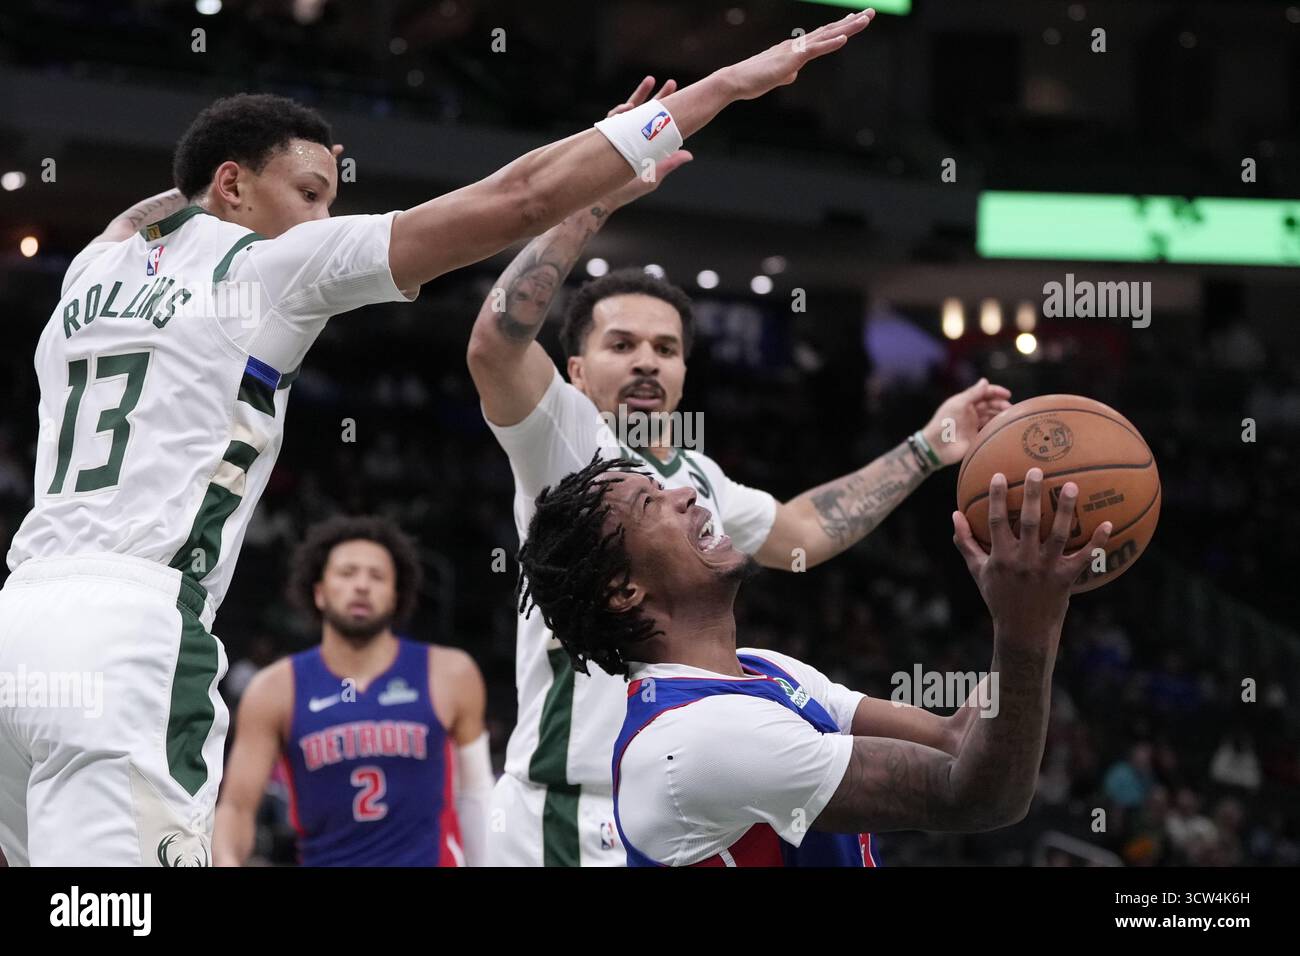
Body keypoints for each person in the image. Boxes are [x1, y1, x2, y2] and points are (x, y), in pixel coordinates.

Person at [0, 6, 876, 866]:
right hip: (133, 631)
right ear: (234, 186)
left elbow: (151, 212)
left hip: (20, 621)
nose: (320, 218)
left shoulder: (94, 266)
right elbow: (517, 197)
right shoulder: (271, 266)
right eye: (307, 193)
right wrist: (715, 91)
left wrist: (197, 185)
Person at [467, 94, 1011, 868]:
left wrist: (927, 447)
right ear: (578, 371)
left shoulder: (694, 480)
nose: (648, 360)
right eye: (622, 344)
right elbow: (496, 341)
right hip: (559, 817)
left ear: (686, 372)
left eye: (666, 347)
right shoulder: (565, 447)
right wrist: (593, 197)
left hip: (687, 806)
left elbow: (798, 538)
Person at [515, 456, 1112, 866]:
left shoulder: (761, 670)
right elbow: (977, 796)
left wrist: (1040, 598)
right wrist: (1026, 625)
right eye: (652, 503)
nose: (685, 493)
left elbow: (956, 738)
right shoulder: (693, 739)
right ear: (623, 591)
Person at [213, 516, 488, 866]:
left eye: (377, 576)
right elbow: (237, 807)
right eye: (347, 573)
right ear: (319, 591)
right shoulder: (275, 689)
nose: (361, 585)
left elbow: (477, 796)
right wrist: (226, 860)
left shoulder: (450, 673)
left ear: (396, 595)